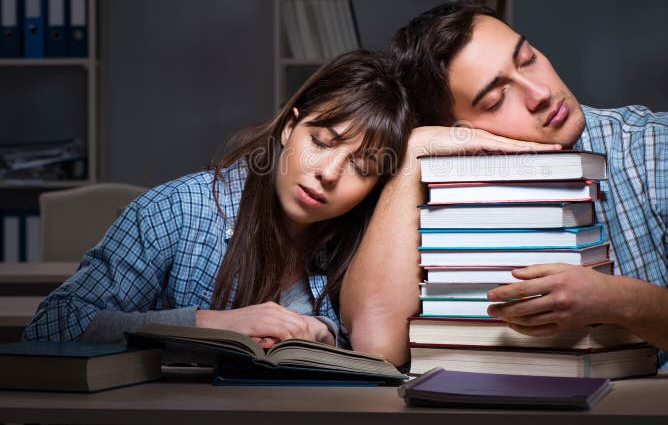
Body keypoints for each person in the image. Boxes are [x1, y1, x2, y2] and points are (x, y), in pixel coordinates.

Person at [341, 2, 668, 372]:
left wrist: (620, 302)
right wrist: (416, 153)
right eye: (497, 98)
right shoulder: (428, 182)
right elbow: (374, 349)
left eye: (528, 58)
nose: (539, 93)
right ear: (458, 127)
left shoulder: (660, 147)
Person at [24, 50, 415, 349]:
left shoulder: (369, 244)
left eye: (362, 168)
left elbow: (385, 356)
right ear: (289, 127)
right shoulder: (178, 210)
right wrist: (210, 324)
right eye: (320, 142)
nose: (328, 173)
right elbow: (52, 326)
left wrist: (325, 338)